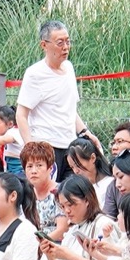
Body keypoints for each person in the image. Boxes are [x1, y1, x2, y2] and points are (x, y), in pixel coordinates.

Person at [16, 20, 89, 179]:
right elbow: (21, 114)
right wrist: (31, 148)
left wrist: (85, 132)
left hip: (71, 147)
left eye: (68, 41)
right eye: (60, 42)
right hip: (47, 147)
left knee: (72, 197)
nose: (66, 47)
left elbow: (70, 109)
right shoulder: (35, 74)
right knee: (47, 197)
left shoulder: (69, 67)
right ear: (44, 45)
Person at [22, 140, 64, 231]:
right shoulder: (24, 194)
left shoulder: (61, 192)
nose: (34, 171)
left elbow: (62, 230)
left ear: (50, 168)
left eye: (39, 165)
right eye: (29, 166)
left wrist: (41, 244)